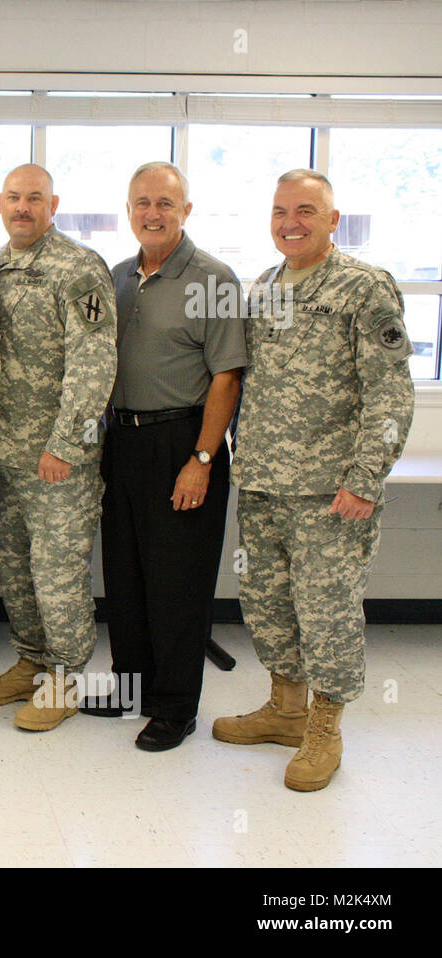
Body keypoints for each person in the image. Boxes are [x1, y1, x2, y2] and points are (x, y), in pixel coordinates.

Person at [213, 169, 414, 791]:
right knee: (268, 603)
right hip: (264, 480)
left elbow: (391, 393)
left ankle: (325, 726)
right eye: (279, 211)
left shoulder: (364, 286)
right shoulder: (267, 286)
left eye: (305, 210)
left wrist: (365, 478)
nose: (290, 222)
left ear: (332, 218)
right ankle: (285, 708)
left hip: (331, 490)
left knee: (327, 611)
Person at [87, 162, 246, 751]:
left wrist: (202, 459)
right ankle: (133, 689)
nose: (152, 213)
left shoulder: (214, 278)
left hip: (184, 442)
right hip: (121, 442)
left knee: (177, 582)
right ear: (128, 209)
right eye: (141, 203)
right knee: (125, 576)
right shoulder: (118, 277)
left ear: (186, 210)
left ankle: (177, 706)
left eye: (165, 204)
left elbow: (227, 378)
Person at [0, 164, 117, 732]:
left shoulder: (78, 268)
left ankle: (65, 677)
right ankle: (31, 661)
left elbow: (94, 361)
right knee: (16, 567)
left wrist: (65, 443)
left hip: (59, 459)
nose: (23, 208)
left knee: (58, 572)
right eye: (14, 198)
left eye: (34, 199)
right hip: (5, 454)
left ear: (52, 204)